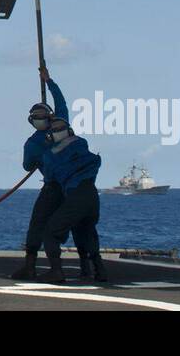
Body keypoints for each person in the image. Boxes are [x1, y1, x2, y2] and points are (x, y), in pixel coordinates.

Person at [10, 73, 69, 281]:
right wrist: (49, 81)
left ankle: (32, 266)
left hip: (53, 187)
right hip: (75, 187)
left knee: (38, 224)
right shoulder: (63, 125)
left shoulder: (32, 144)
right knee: (81, 225)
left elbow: (27, 166)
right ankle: (92, 268)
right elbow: (61, 101)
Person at [40, 115, 107, 283]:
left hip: (75, 194)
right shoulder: (81, 144)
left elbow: (49, 179)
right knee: (86, 230)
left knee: (51, 232)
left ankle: (56, 271)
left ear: (50, 136)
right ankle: (97, 270)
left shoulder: (50, 155)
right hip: (92, 196)